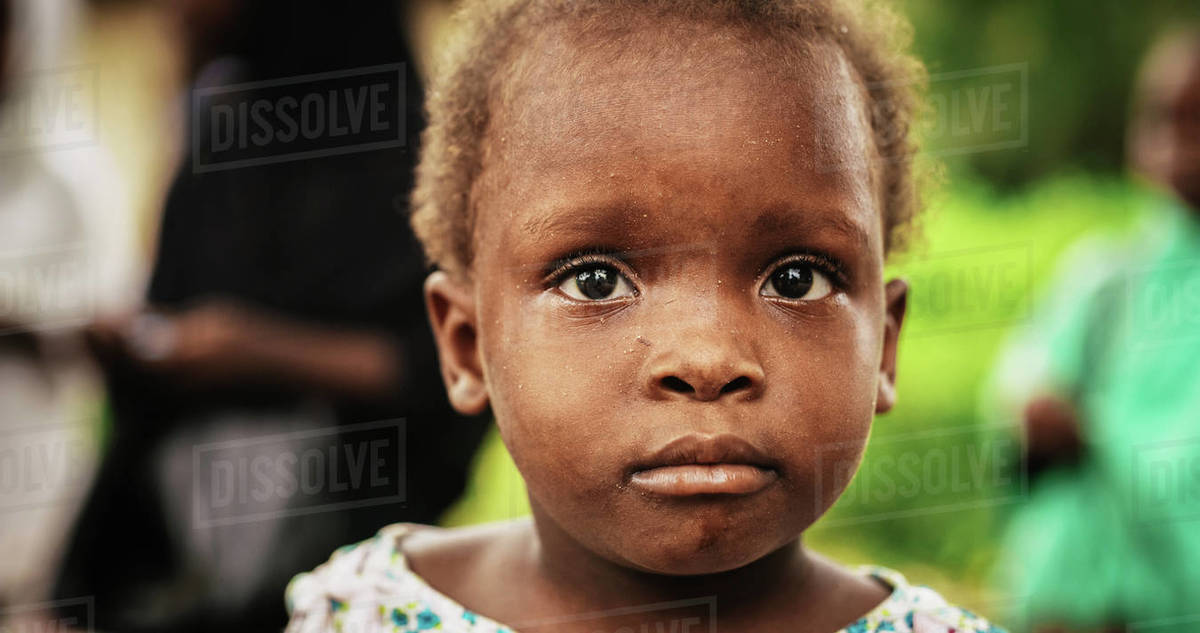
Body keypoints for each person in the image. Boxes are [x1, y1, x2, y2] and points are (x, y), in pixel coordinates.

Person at [283, 1, 1007, 632]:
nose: (708, 358)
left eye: (798, 278)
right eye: (596, 282)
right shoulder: (364, 613)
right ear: (467, 348)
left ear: (883, 345)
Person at [50, 2, 490, 632]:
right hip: (176, 555)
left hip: (331, 558)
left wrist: (258, 350)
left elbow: (433, 370)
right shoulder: (221, 130)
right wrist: (132, 342)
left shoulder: (404, 153)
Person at [985, 28, 1200, 633]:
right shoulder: (1107, 276)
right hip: (1071, 602)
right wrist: (1035, 413)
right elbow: (1022, 379)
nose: (1180, 145)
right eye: (1164, 120)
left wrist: (1106, 439)